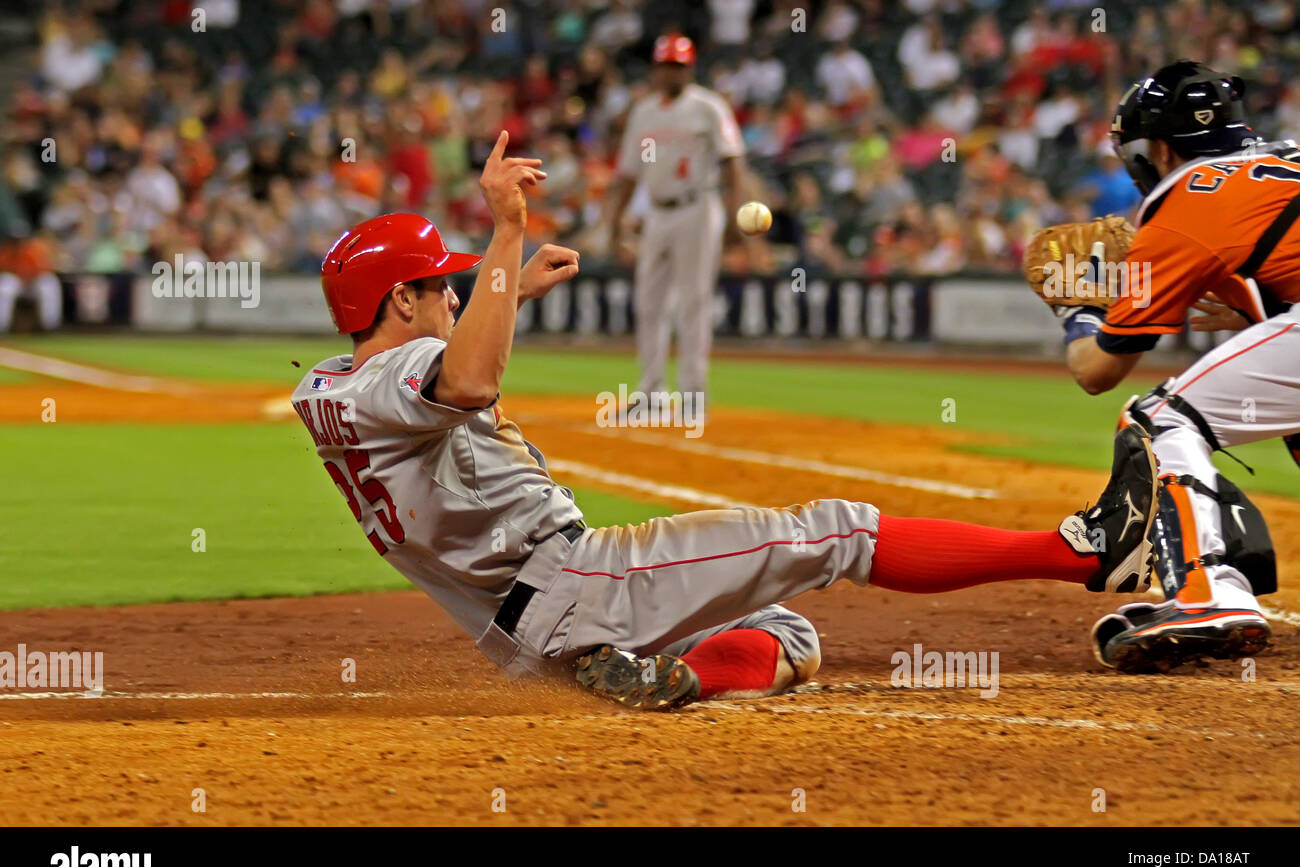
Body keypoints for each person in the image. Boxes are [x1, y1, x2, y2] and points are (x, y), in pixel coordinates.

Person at [292, 131, 1160, 710]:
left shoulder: (331, 390)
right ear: (400, 300)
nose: (455, 289)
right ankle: (1079, 550)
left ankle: (660, 679)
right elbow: (469, 381)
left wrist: (502, 287)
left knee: (787, 631)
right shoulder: (408, 369)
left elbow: (431, 378)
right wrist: (508, 231)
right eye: (440, 283)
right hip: (574, 583)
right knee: (831, 533)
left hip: (523, 629)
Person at [1056, 61, 1291, 672]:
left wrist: (1078, 307)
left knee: (1161, 416)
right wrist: (1256, 315)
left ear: (1160, 147)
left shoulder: (1187, 197)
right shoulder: (1282, 160)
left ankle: (1206, 593)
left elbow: (1098, 371)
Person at [606, 34, 747, 424]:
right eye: (668, 64)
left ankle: (693, 397)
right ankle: (650, 392)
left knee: (693, 302)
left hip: (697, 207)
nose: (673, 71)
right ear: (656, 69)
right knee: (649, 302)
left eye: (680, 65)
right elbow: (627, 175)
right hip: (657, 211)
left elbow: (733, 163)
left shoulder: (707, 107)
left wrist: (736, 214)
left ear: (690, 68)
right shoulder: (645, 112)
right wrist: (617, 224)